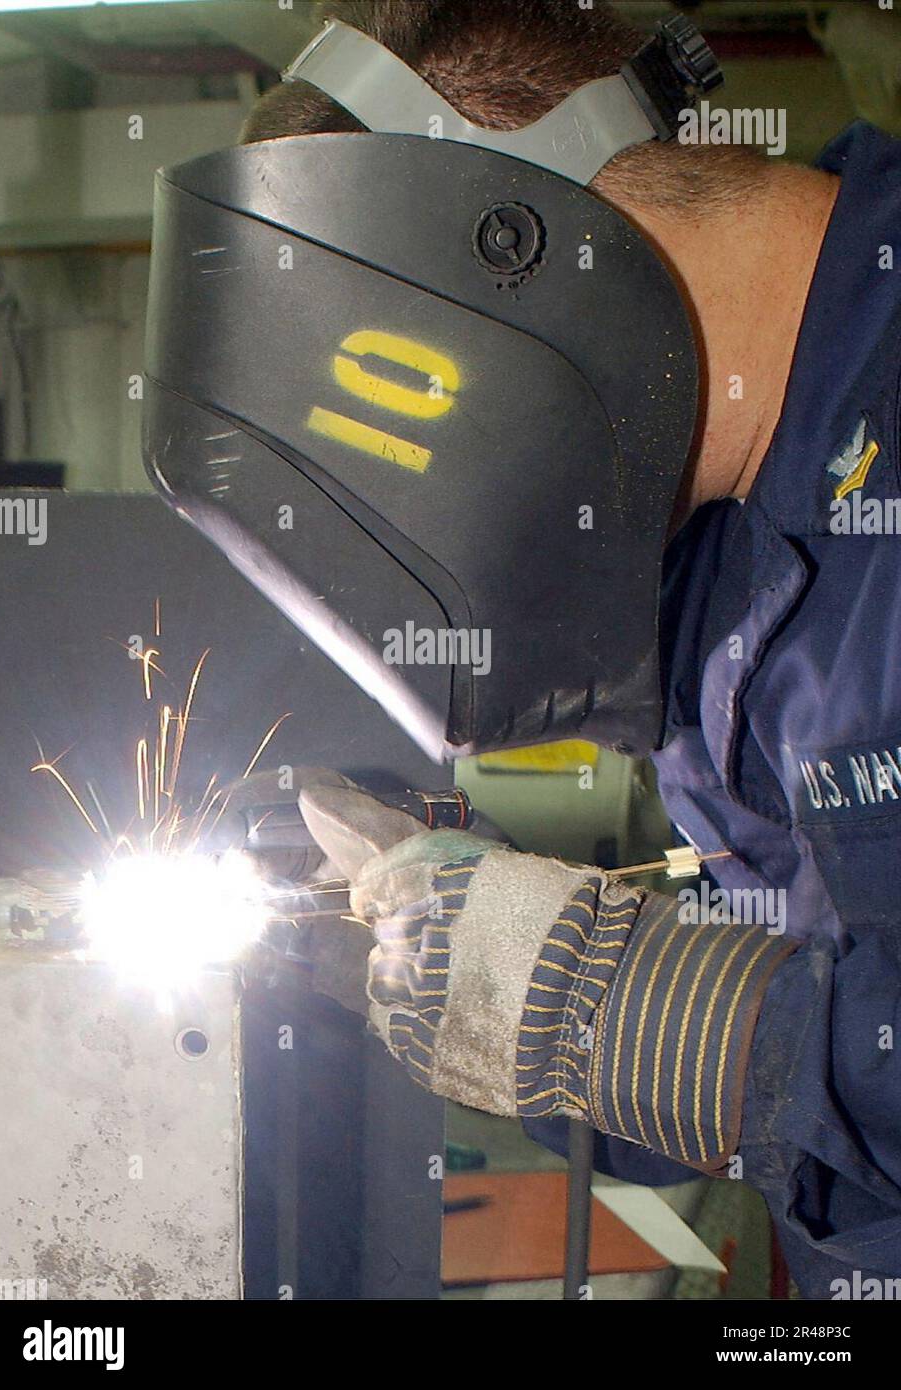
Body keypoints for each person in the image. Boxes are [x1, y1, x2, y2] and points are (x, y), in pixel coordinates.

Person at [235, 0, 901, 1298]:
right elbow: (810, 1081)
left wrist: (627, 1004)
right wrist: (511, 979)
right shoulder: (711, 545)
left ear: (514, 256)